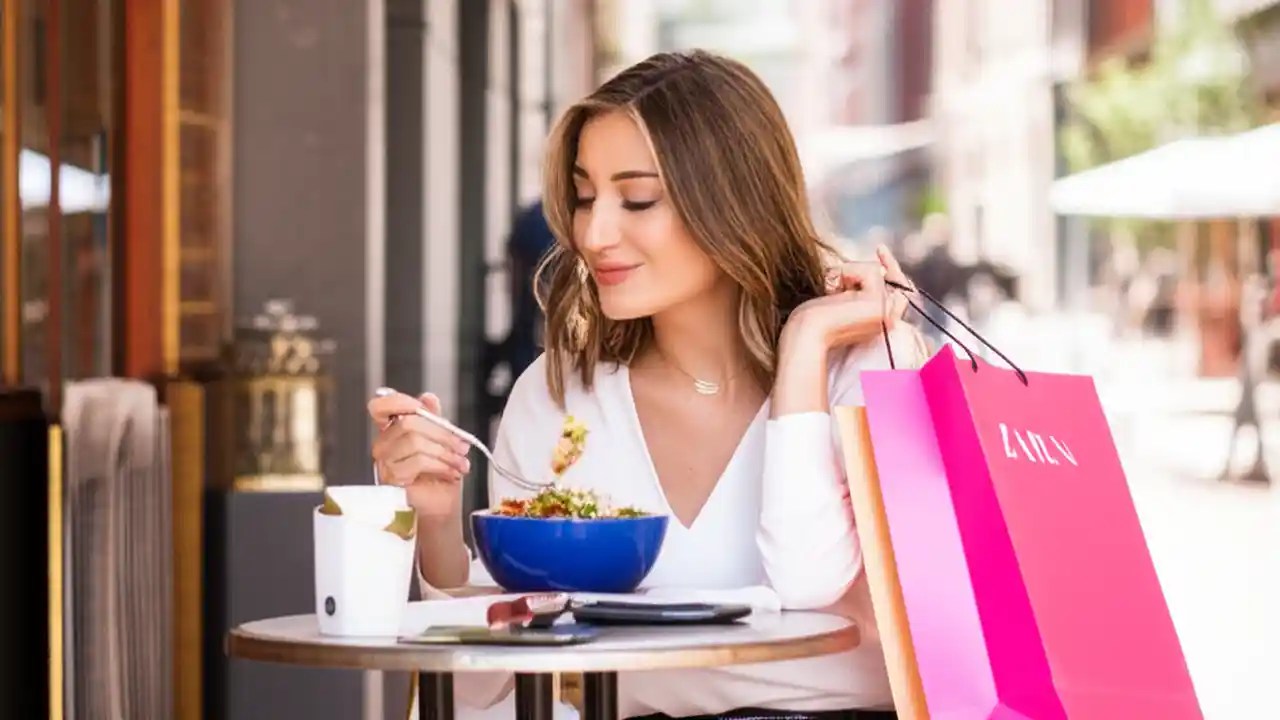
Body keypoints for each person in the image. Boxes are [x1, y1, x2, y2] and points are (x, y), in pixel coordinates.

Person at [370, 50, 924, 720]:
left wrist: (804, 350)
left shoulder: (870, 370)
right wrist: (437, 530)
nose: (594, 231)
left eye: (636, 199)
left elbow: (812, 584)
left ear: (733, 203)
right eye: (583, 198)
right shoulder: (557, 401)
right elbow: (497, 692)